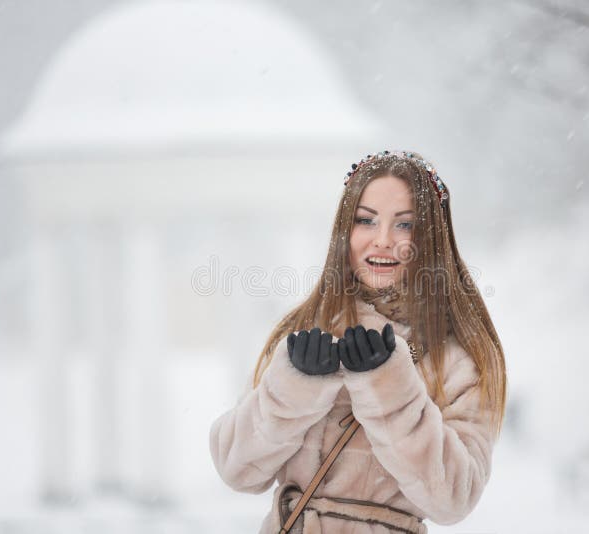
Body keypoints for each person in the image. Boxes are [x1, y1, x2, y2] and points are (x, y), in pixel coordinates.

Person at [209, 150, 507, 533]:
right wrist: (291, 392)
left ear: (431, 238)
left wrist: (392, 393)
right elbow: (237, 470)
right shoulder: (307, 328)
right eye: (366, 220)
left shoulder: (456, 358)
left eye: (405, 225)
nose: (382, 240)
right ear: (345, 232)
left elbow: (453, 498)